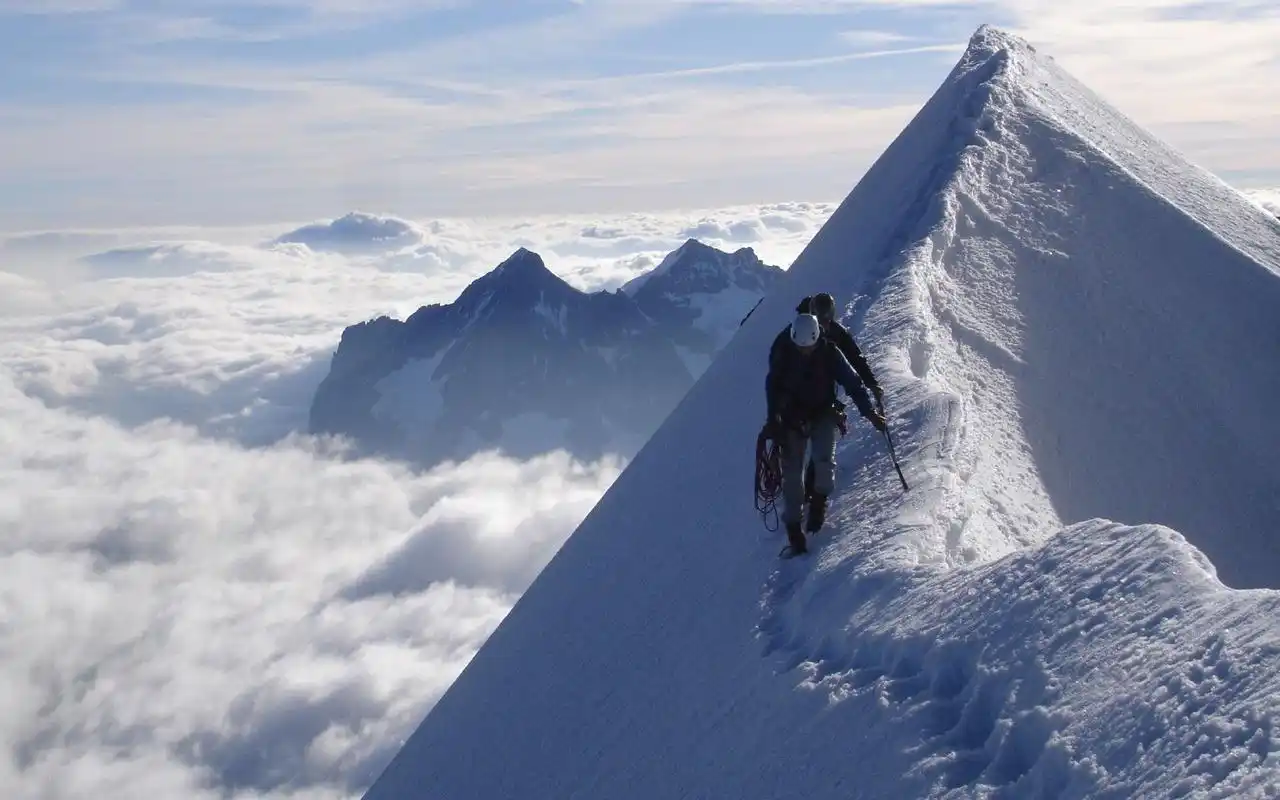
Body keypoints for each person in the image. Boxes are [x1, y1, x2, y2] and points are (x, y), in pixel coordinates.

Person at [765, 313, 886, 555]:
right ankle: (794, 528)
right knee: (792, 474)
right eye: (801, 348)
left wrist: (870, 413)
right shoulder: (785, 352)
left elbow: (853, 383)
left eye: (808, 348)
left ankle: (818, 505)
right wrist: (774, 419)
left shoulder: (830, 353)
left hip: (822, 413)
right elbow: (773, 387)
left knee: (824, 462)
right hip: (792, 418)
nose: (805, 352)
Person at [770, 292, 886, 500]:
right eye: (821, 319)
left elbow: (855, 359)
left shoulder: (832, 333)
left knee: (821, 442)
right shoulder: (798, 333)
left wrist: (871, 384)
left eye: (827, 319)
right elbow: (777, 367)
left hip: (822, 394)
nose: (824, 324)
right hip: (796, 398)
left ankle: (813, 488)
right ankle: (806, 489)